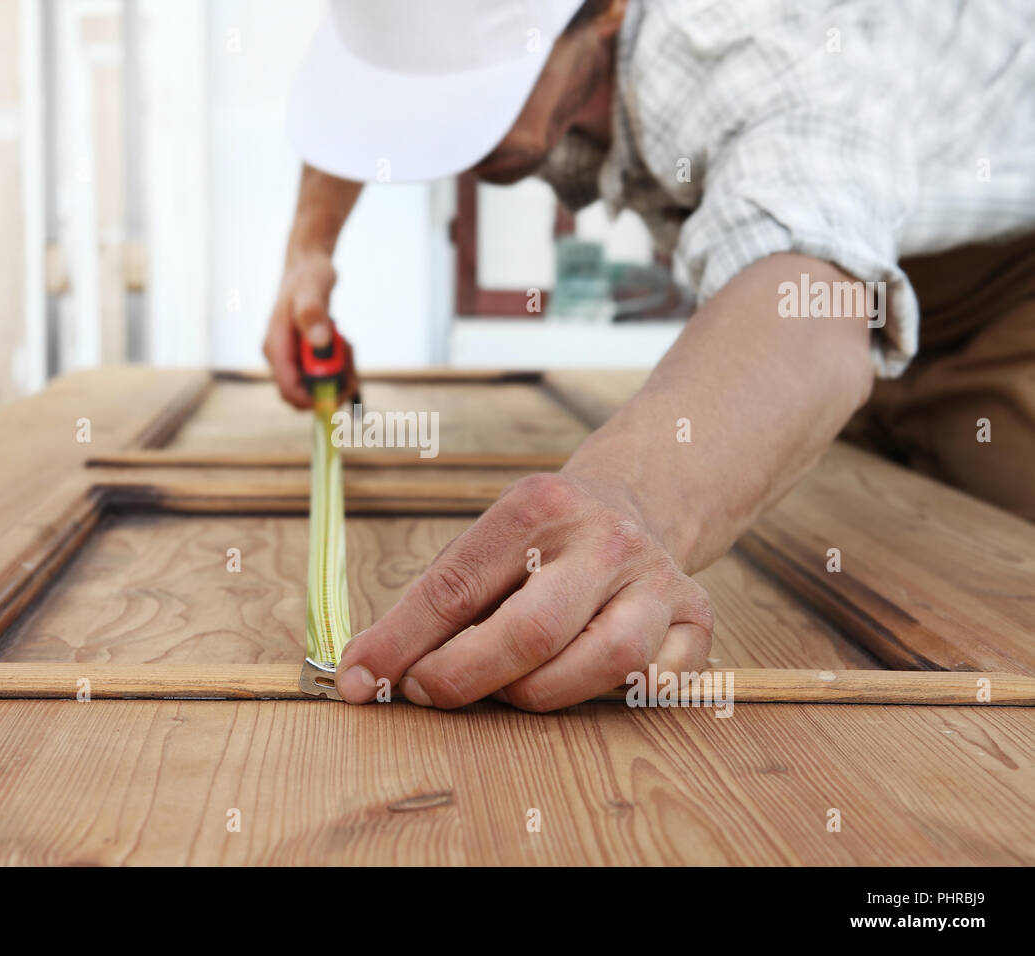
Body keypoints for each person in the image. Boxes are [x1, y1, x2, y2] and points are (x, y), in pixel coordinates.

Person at [265, 0, 1035, 711]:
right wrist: (309, 253)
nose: (433, 143)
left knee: (986, 577)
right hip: (854, 274)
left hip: (999, 283)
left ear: (606, 14)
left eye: (470, 106)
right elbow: (391, 86)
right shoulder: (554, 45)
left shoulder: (750, 44)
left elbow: (819, 302)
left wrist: (624, 499)